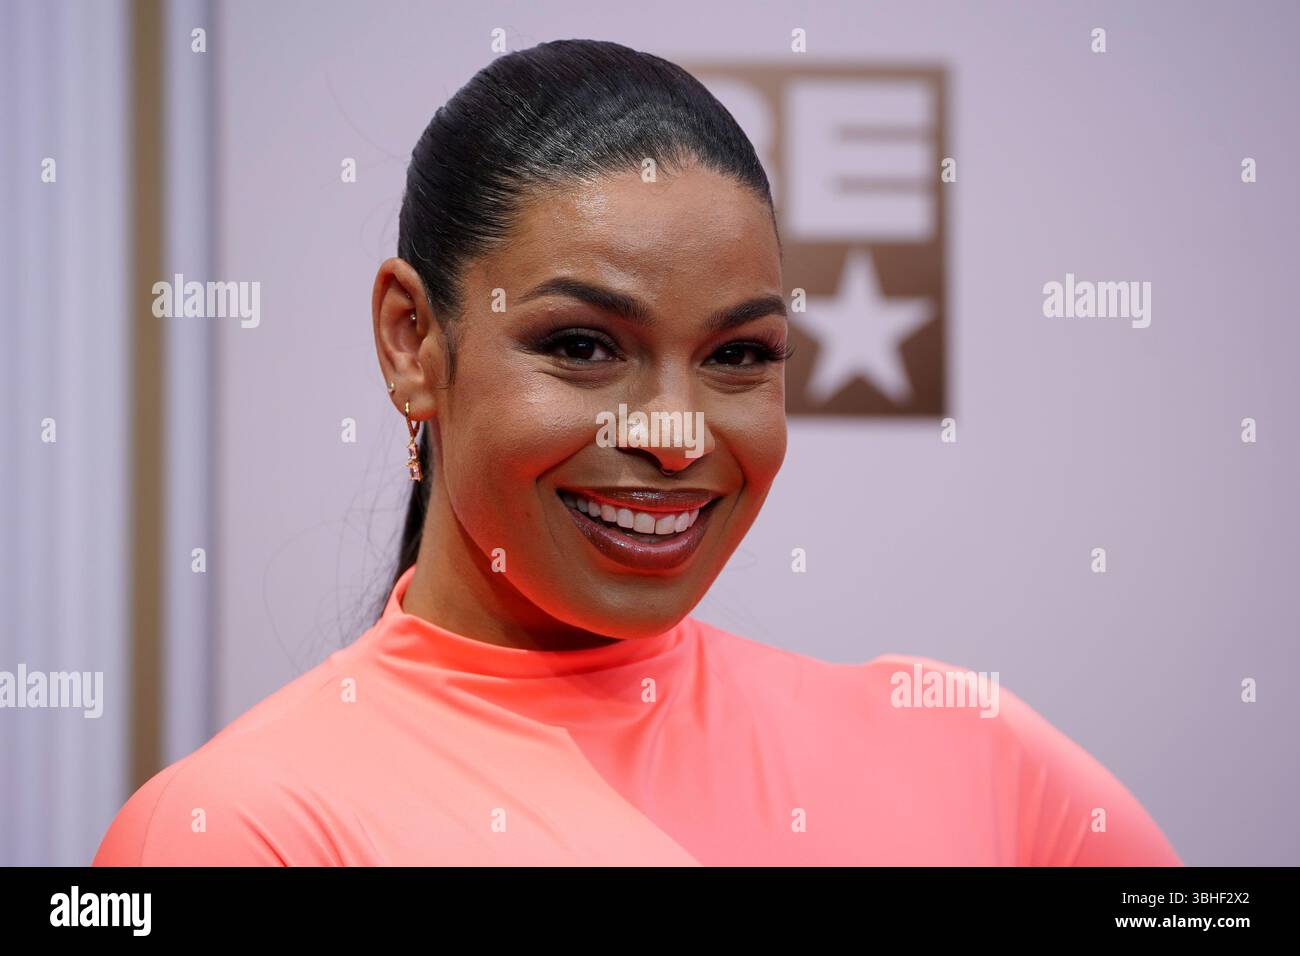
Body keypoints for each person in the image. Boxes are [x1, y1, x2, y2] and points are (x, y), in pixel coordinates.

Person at [93, 38, 1180, 866]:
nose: (673, 435)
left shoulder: (961, 749)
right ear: (413, 342)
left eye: (739, 354)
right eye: (581, 346)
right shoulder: (244, 828)